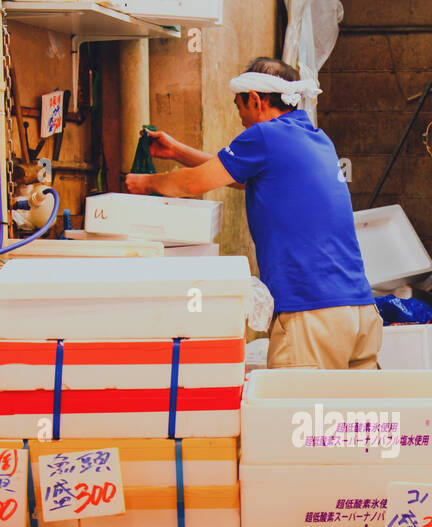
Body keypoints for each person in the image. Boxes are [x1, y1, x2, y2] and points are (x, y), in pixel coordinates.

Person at [124, 57, 382, 369]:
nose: (241, 121)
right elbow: (245, 176)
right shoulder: (316, 139)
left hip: (311, 312)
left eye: (240, 108)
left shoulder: (263, 136)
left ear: (256, 100)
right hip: (359, 313)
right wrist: (177, 151)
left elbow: (193, 184)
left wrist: (145, 183)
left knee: (292, 416)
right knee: (340, 416)